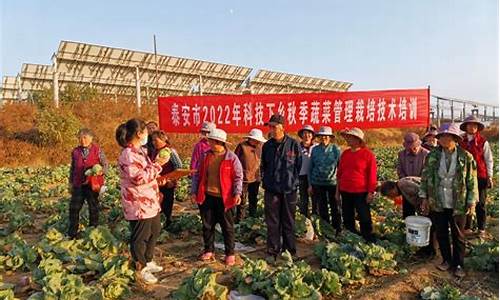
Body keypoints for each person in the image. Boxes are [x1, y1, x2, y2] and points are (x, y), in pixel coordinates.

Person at [419, 123, 478, 278]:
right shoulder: (432, 156)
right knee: (442, 232)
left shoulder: (465, 157)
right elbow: (425, 177)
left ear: (455, 138)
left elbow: (472, 181)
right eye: (441, 136)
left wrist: (471, 201)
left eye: (447, 136)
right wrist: (424, 197)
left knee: (458, 234)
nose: (443, 139)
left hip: (458, 201)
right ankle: (446, 260)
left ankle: (458, 264)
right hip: (437, 199)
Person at [116, 119, 169, 284]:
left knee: (155, 230)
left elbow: (146, 172)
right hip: (138, 203)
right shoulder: (128, 154)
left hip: (149, 200)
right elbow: (139, 178)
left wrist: (156, 180)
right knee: (141, 236)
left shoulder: (140, 151)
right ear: (139, 134)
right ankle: (141, 267)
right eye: (146, 131)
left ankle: (148, 259)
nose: (148, 134)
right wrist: (158, 165)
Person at [191, 128, 243, 266]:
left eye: (211, 141)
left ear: (218, 142)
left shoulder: (231, 158)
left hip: (225, 198)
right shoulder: (205, 156)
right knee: (207, 225)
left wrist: (237, 193)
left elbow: (238, 177)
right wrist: (194, 191)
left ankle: (230, 253)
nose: (208, 143)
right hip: (207, 196)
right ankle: (209, 250)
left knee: (227, 227)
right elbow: (197, 175)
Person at [260, 114, 302, 262]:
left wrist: (292, 181)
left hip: (289, 190)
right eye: (270, 127)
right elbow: (263, 166)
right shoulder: (267, 146)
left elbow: (298, 166)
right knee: (272, 222)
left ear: (283, 127)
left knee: (288, 221)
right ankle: (272, 250)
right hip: (272, 190)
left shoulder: (293, 144)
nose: (271, 129)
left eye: (274, 126)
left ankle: (290, 249)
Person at [337, 128, 377, 243]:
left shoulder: (368, 155)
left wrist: (370, 192)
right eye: (348, 137)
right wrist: (337, 192)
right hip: (345, 190)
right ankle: (351, 236)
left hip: (361, 191)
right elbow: (339, 174)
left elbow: (372, 175)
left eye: (350, 137)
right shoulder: (345, 154)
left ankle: (368, 238)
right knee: (347, 216)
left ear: (358, 140)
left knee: (364, 216)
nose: (348, 139)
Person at [379, 177, 436, 257]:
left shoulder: (404, 185)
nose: (392, 197)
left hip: (431, 201)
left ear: (392, 189)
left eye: (390, 195)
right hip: (427, 203)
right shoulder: (402, 187)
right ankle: (427, 249)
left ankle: (429, 251)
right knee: (429, 226)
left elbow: (422, 191)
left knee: (429, 226)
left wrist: (425, 203)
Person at [68, 128, 109, 239]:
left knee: (93, 207)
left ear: (91, 138)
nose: (83, 140)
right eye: (80, 138)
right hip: (78, 183)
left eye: (85, 138)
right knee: (74, 208)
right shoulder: (75, 151)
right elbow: (73, 168)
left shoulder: (97, 150)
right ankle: (72, 233)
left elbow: (105, 164)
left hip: (92, 184)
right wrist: (70, 182)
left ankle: (93, 231)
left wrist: (100, 171)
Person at [459, 115, 494, 236]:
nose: (472, 127)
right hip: (464, 176)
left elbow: (488, 160)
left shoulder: (483, 142)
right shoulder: (460, 141)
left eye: (475, 125)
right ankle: (467, 227)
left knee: (480, 203)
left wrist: (489, 176)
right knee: (465, 201)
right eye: (469, 125)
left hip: (480, 176)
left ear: (478, 127)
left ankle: (481, 228)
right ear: (466, 127)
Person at [308, 126, 341, 234]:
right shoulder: (315, 150)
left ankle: (337, 228)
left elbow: (340, 167)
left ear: (330, 137)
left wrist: (339, 185)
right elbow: (311, 167)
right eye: (322, 136)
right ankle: (326, 228)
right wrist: (310, 184)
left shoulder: (336, 149)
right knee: (322, 206)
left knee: (334, 206)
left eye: (326, 136)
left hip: (332, 182)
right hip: (317, 182)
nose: (324, 138)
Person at [150, 130, 183, 230]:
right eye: (152, 140)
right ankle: (158, 226)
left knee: (167, 205)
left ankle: (167, 225)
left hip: (167, 183)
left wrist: (172, 181)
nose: (153, 142)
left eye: (156, 140)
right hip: (157, 184)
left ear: (163, 139)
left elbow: (178, 166)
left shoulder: (170, 151)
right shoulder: (154, 151)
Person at [234, 128, 266, 221]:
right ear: (250, 139)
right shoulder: (242, 146)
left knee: (253, 198)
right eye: (255, 140)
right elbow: (235, 161)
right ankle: (240, 219)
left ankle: (252, 217)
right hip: (244, 178)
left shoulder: (260, 147)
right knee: (242, 199)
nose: (257, 142)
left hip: (256, 177)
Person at [397, 132, 429, 217]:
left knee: (424, 210)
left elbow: (428, 172)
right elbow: (400, 170)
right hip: (407, 187)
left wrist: (418, 183)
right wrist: (406, 181)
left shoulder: (427, 154)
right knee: (408, 211)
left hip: (422, 186)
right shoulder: (401, 154)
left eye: (414, 148)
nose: (412, 150)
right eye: (409, 148)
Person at [297, 125, 317, 217]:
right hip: (301, 176)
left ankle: (315, 217)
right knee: (303, 199)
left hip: (314, 176)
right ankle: (304, 218)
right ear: (301, 135)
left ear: (312, 135)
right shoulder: (297, 147)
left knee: (315, 199)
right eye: (304, 133)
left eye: (309, 133)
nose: (307, 135)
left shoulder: (316, 147)